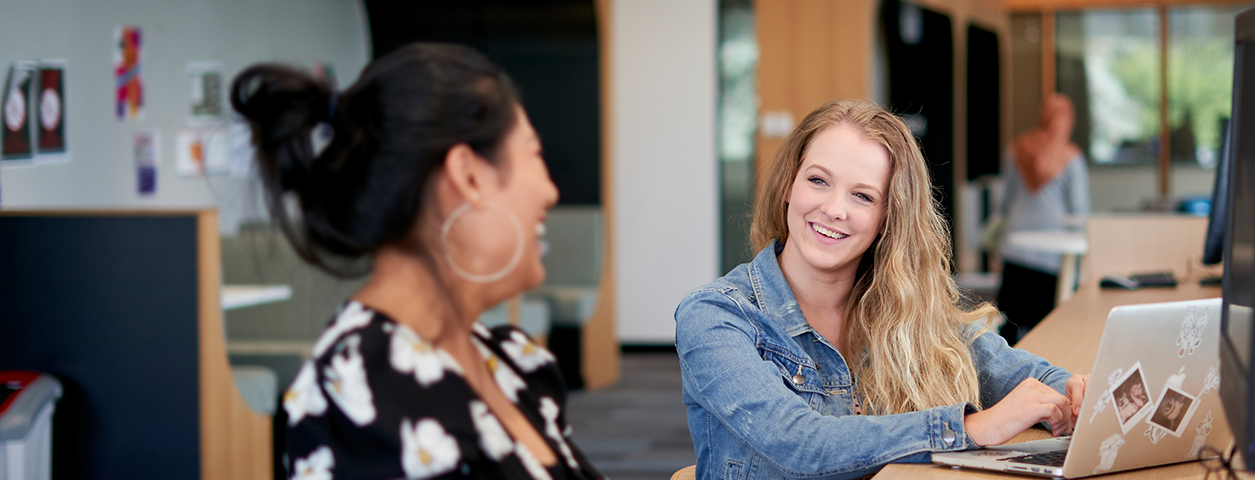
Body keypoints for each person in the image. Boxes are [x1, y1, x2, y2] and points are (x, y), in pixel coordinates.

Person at [231, 43, 602, 480]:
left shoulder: (506, 359)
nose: (550, 191)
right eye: (534, 154)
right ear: (468, 176)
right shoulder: (364, 392)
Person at [674, 100, 1091, 479]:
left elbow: (1015, 372)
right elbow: (801, 444)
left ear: (886, 218)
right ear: (789, 185)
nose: (835, 209)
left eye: (862, 196)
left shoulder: (903, 305)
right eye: (818, 181)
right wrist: (970, 428)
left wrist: (1072, 390)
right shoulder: (715, 316)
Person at [996, 94, 1091, 344]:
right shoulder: (1071, 157)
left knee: (1011, 326)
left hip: (1015, 249)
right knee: (1046, 330)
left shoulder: (1017, 148)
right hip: (1052, 257)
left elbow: (1004, 202)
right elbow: (1080, 211)